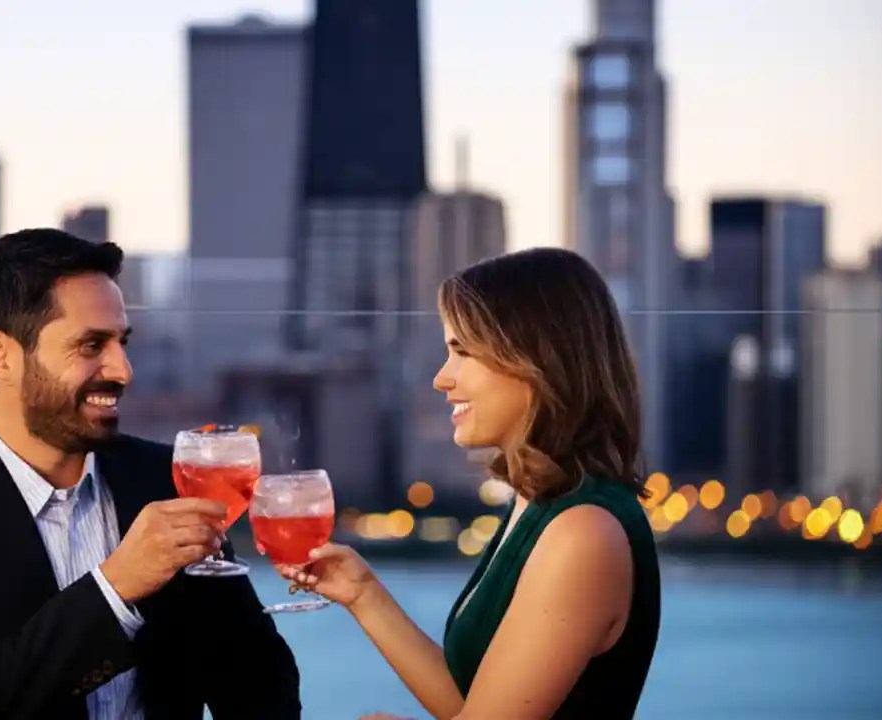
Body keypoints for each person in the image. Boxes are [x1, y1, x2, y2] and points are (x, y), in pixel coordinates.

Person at [0, 228, 300, 719]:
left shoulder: (170, 481)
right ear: (1, 357)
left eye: (122, 343)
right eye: (91, 345)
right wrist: (115, 588)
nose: (122, 369)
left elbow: (262, 692)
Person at [283, 248, 661, 719]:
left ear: (534, 359)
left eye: (462, 352)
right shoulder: (540, 503)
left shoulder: (582, 532)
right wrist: (364, 595)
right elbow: (478, 701)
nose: (443, 378)